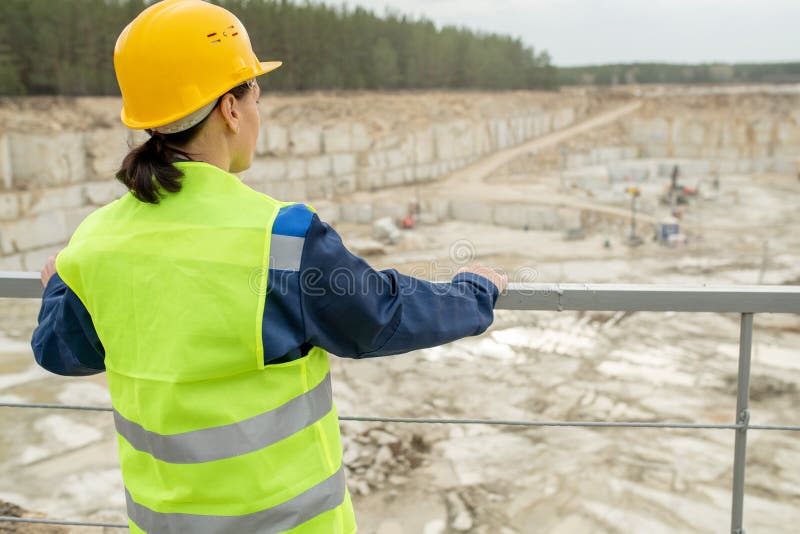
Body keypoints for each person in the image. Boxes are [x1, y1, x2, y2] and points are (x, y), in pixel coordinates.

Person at [30, 1, 507, 533]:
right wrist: (475, 290)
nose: (256, 111)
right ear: (230, 109)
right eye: (254, 94)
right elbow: (380, 317)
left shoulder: (95, 243)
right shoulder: (280, 240)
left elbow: (60, 352)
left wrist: (58, 287)